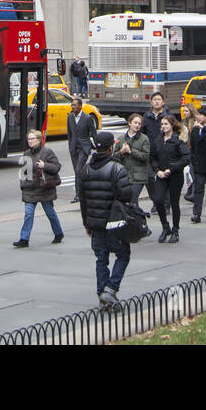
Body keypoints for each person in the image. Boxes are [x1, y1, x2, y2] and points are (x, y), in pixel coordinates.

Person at [78, 132, 133, 308]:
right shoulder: (116, 168)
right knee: (123, 254)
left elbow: (83, 199)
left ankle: (102, 295)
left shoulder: (85, 169)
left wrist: (87, 222)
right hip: (114, 223)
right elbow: (126, 194)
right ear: (111, 148)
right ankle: (110, 290)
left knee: (101, 260)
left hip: (95, 224)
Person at [14, 128, 64, 247]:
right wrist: (23, 185)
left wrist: (44, 165)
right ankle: (24, 239)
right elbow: (24, 172)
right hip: (30, 189)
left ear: (39, 140)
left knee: (50, 212)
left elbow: (56, 167)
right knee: (28, 214)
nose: (30, 141)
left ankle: (58, 233)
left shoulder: (47, 152)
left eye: (32, 139)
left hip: (44, 188)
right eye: (28, 139)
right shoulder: (26, 154)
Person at [150, 114, 190, 242]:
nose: (163, 127)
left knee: (174, 202)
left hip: (175, 175)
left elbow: (186, 158)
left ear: (172, 125)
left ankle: (175, 230)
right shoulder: (158, 140)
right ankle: (165, 226)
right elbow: (153, 158)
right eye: (162, 124)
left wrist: (172, 169)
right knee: (158, 200)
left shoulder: (178, 140)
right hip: (161, 175)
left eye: (166, 124)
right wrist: (158, 171)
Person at [114, 114, 151, 208]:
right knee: (128, 203)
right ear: (129, 123)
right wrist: (122, 152)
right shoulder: (121, 138)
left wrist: (131, 151)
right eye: (135, 122)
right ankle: (137, 220)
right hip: (124, 175)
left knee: (132, 200)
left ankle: (136, 220)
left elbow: (145, 156)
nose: (137, 125)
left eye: (139, 123)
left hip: (138, 176)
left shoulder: (144, 139)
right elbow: (114, 157)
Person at [67, 95, 97, 203]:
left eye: (74, 105)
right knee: (77, 172)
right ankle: (83, 192)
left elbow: (93, 133)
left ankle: (79, 195)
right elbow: (69, 134)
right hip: (74, 148)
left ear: (80, 106)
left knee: (79, 170)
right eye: (72, 105)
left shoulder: (87, 118)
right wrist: (70, 145)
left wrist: (97, 146)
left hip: (84, 147)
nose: (72, 107)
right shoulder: (70, 117)